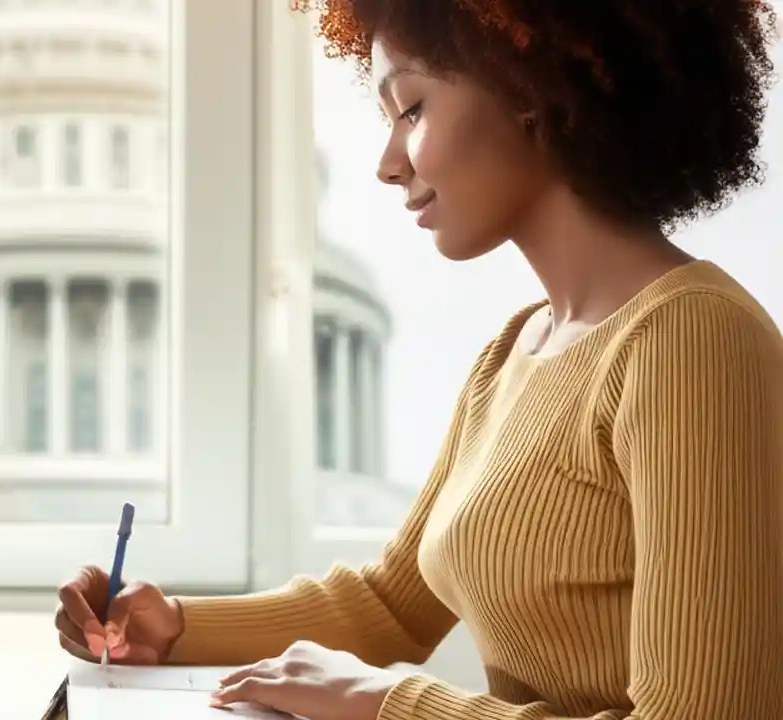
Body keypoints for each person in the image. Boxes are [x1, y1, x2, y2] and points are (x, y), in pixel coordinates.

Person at [56, 0, 783, 718]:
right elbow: (389, 605)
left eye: (410, 109)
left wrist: (391, 704)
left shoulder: (695, 343)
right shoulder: (514, 354)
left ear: (530, 88)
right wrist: (173, 627)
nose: (386, 163)